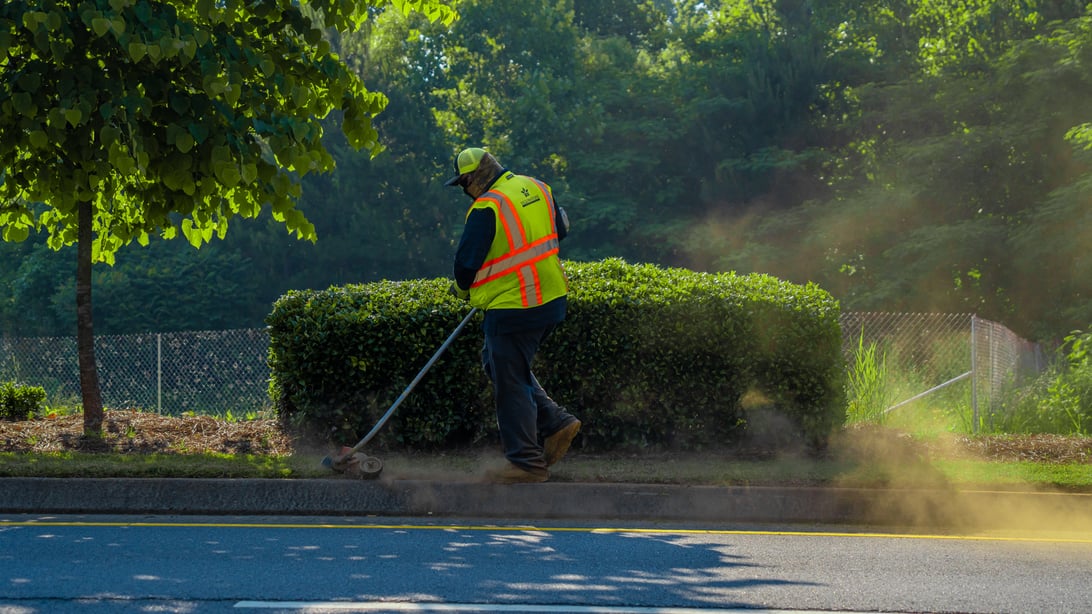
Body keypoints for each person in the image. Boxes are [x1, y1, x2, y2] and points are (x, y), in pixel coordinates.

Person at [444, 147, 581, 484]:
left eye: (464, 183)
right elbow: (558, 231)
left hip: (515, 305)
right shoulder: (538, 187)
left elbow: (465, 266)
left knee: (510, 381)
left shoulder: (486, 207)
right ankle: (556, 421)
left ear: (476, 176)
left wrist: (462, 290)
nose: (465, 191)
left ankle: (525, 462)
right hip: (551, 298)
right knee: (500, 363)